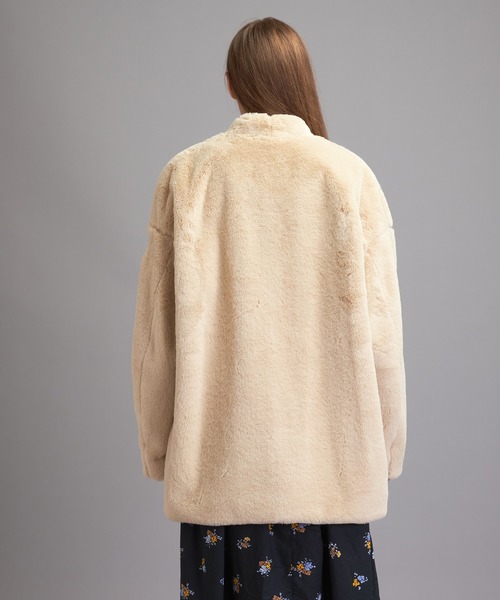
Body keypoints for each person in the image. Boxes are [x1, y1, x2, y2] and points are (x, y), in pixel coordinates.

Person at [131, 16, 407, 600]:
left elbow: (158, 340)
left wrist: (159, 447)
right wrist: (384, 447)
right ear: (302, 79)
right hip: (331, 474)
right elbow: (382, 336)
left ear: (231, 83)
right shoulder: (348, 175)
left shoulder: (188, 176)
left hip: (220, 475)